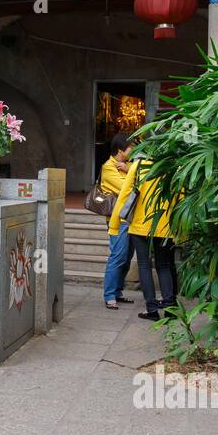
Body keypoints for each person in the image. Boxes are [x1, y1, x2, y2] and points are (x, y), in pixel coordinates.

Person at [108, 157, 178, 321]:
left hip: (140, 224)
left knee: (144, 266)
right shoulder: (174, 164)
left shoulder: (138, 165)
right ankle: (169, 309)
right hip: (165, 225)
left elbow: (125, 194)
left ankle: (152, 310)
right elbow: (180, 197)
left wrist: (114, 225)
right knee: (165, 265)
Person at [100, 132, 136, 310]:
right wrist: (132, 172)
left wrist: (130, 169)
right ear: (121, 150)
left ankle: (117, 291)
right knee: (118, 255)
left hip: (131, 218)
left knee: (127, 256)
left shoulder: (129, 165)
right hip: (118, 219)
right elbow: (127, 189)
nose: (134, 150)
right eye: (131, 147)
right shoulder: (108, 167)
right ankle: (109, 295)